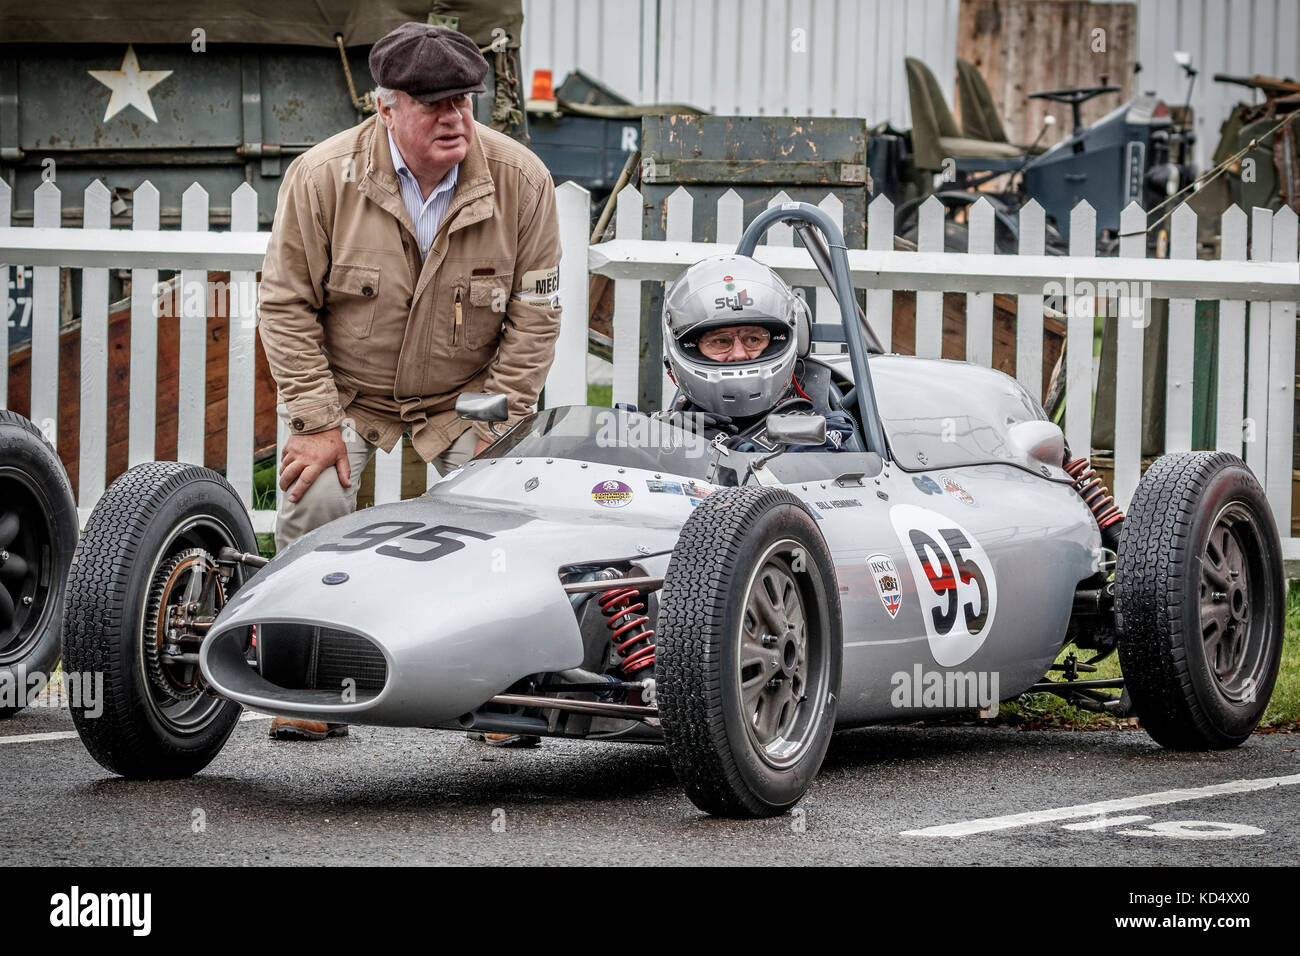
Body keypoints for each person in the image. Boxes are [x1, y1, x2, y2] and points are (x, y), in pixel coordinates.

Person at [256, 22, 562, 742]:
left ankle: (498, 692)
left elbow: (537, 315)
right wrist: (316, 421)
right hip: (349, 397)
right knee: (312, 497)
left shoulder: (522, 180)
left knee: (504, 519)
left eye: (464, 100)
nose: (455, 117)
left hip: (468, 397)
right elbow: (284, 303)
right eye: (433, 104)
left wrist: (497, 417)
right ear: (385, 108)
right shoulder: (321, 176)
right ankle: (308, 685)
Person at [656, 255, 861, 452]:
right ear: (689, 347)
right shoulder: (673, 423)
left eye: (753, 339)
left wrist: (721, 449)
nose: (739, 354)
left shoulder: (824, 427)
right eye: (720, 341)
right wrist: (646, 429)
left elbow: (799, 475)